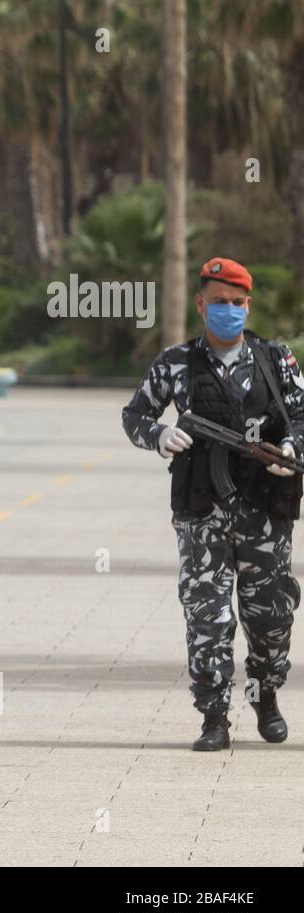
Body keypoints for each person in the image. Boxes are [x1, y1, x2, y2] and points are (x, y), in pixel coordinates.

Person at [123, 256, 302, 751]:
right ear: (201, 304)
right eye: (218, 303)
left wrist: (291, 450)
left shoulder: (276, 360)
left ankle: (265, 696)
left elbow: (303, 417)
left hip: (265, 511)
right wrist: (160, 434)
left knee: (270, 615)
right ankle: (214, 715)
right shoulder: (176, 363)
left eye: (237, 303)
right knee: (207, 615)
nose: (228, 311)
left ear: (249, 306)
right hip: (202, 513)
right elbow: (135, 413)